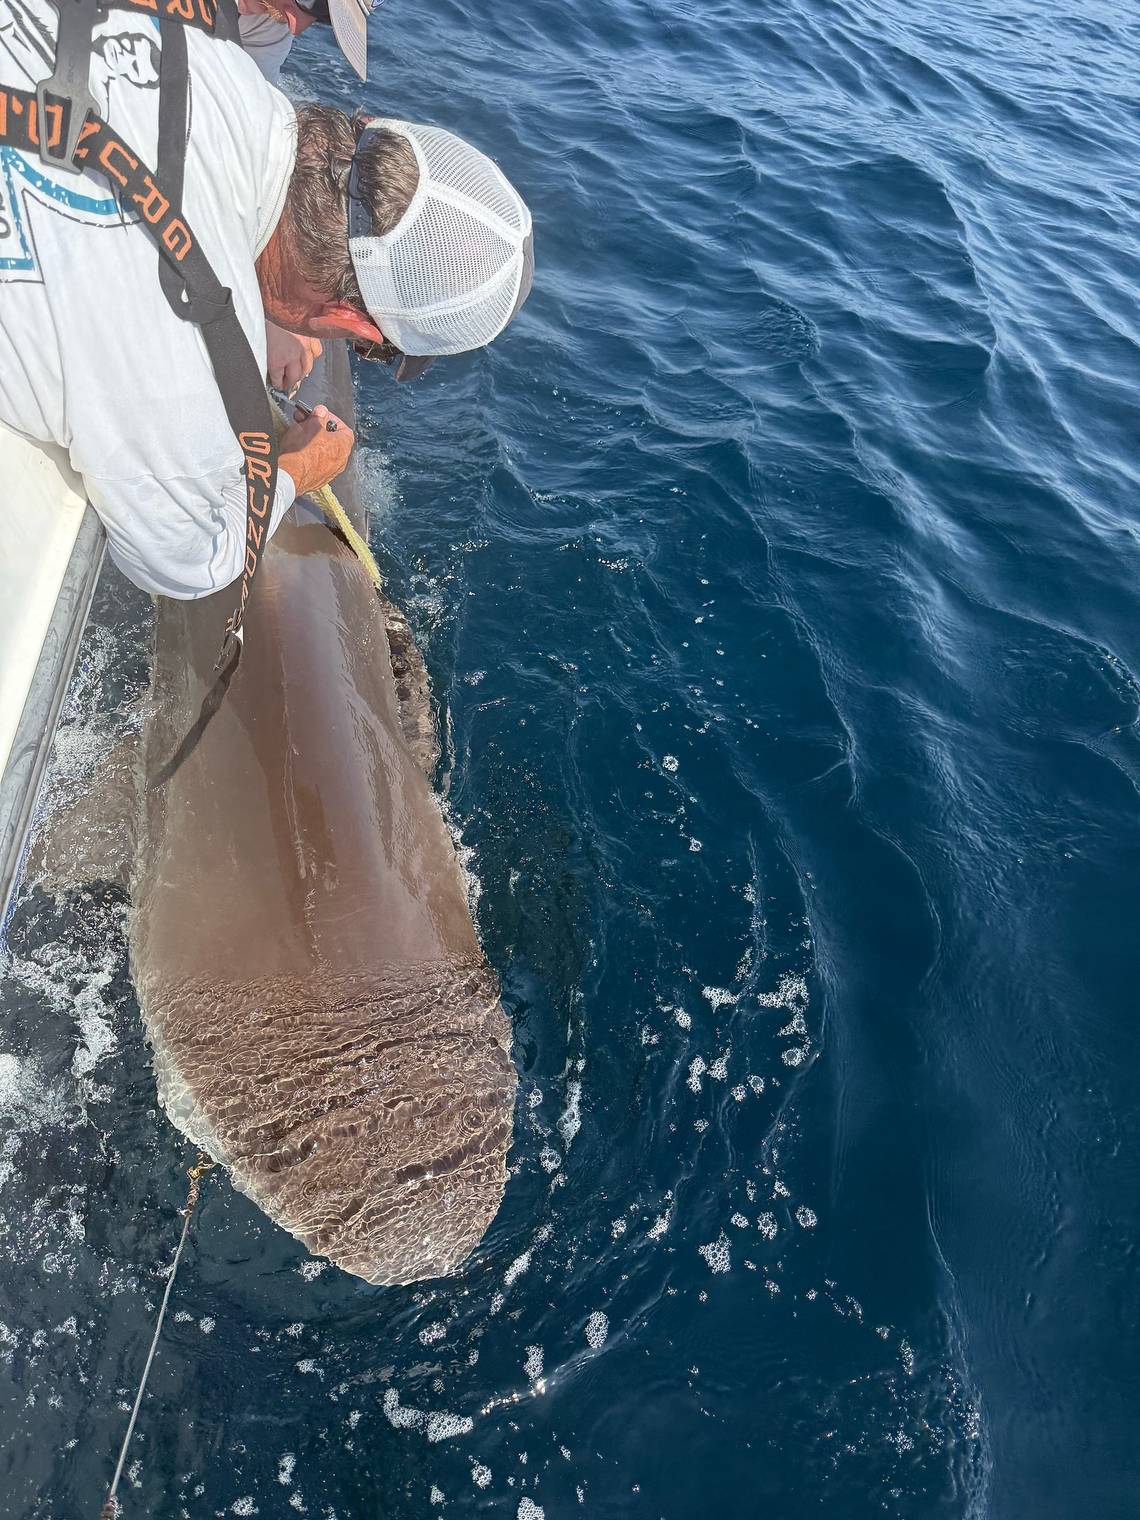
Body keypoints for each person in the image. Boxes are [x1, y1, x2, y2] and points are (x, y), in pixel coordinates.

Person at [0, 0, 532, 600]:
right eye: (374, 350)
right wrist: (298, 469)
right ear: (349, 320)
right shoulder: (184, 353)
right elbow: (184, 561)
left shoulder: (209, 50)